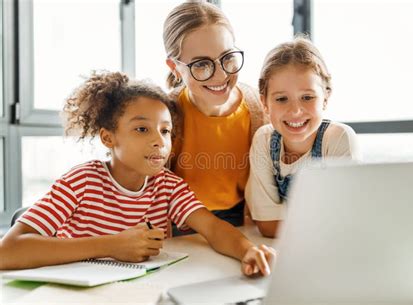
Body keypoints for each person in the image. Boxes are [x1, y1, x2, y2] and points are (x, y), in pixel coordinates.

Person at [0, 71, 275, 277]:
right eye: (142, 129)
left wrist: (247, 250)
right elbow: (7, 251)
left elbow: (213, 228)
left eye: (165, 131)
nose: (159, 141)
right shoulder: (81, 182)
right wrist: (111, 245)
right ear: (108, 138)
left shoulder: (168, 187)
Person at [163, 1, 266, 231]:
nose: (220, 75)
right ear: (174, 67)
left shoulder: (258, 110)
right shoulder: (166, 114)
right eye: (201, 64)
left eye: (227, 57)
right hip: (183, 222)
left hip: (242, 219)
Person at [245, 37, 360, 238]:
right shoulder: (264, 140)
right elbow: (267, 224)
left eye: (307, 97)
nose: (296, 111)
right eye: (281, 99)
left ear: (325, 97)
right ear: (264, 103)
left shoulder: (338, 139)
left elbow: (344, 222)